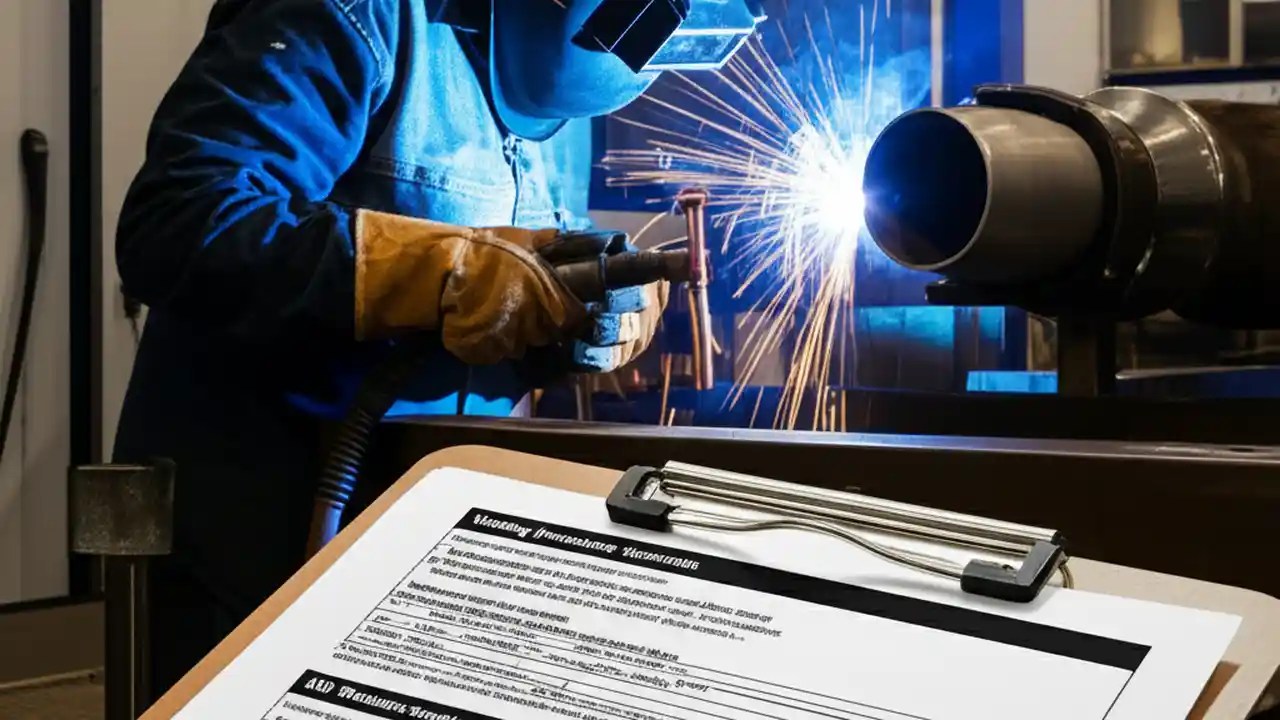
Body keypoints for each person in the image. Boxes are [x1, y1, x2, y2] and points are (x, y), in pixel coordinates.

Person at [111, 0, 758, 694]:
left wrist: (577, 312)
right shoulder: (362, 17)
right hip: (262, 532)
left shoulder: (568, 103)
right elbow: (179, 224)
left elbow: (491, 303)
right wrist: (432, 270)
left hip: (436, 545)